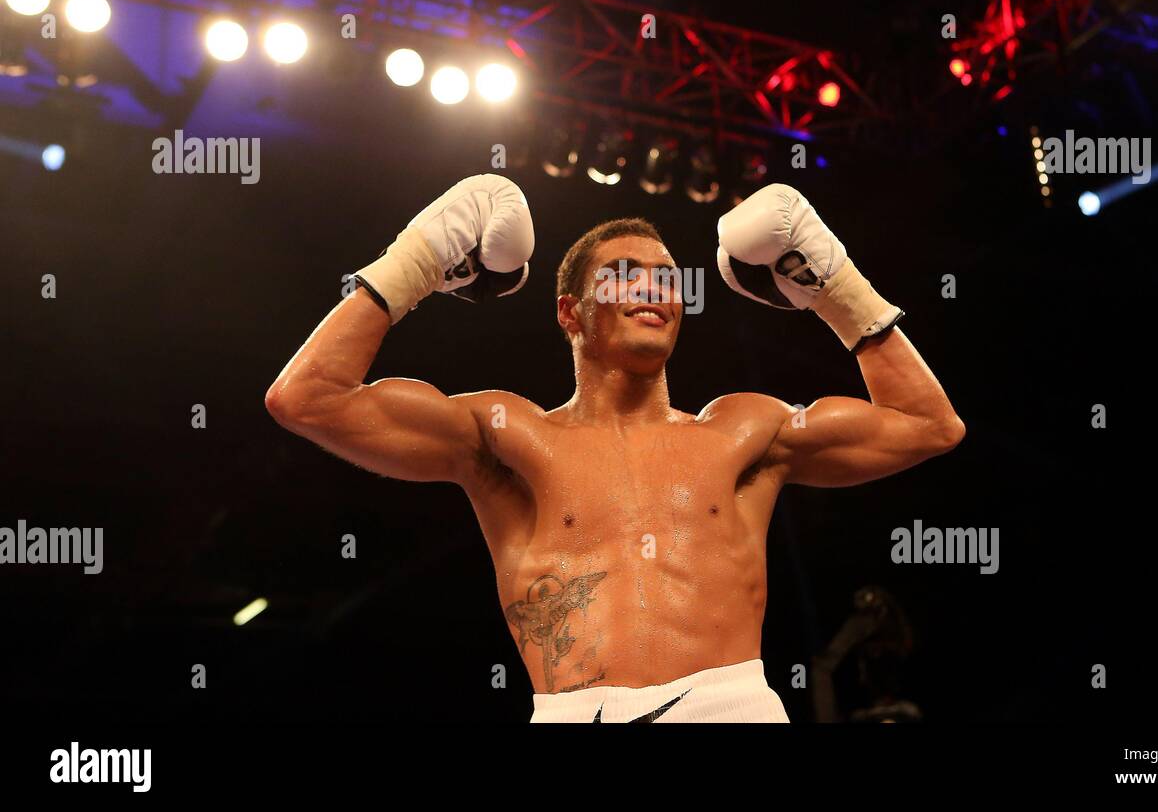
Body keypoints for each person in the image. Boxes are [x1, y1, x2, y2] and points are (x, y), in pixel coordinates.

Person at [265, 173, 964, 722]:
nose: (653, 288)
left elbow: (930, 425)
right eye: (624, 273)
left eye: (666, 278)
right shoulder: (504, 435)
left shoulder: (745, 430)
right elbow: (308, 399)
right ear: (570, 311)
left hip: (734, 708)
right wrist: (418, 258)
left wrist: (833, 286)